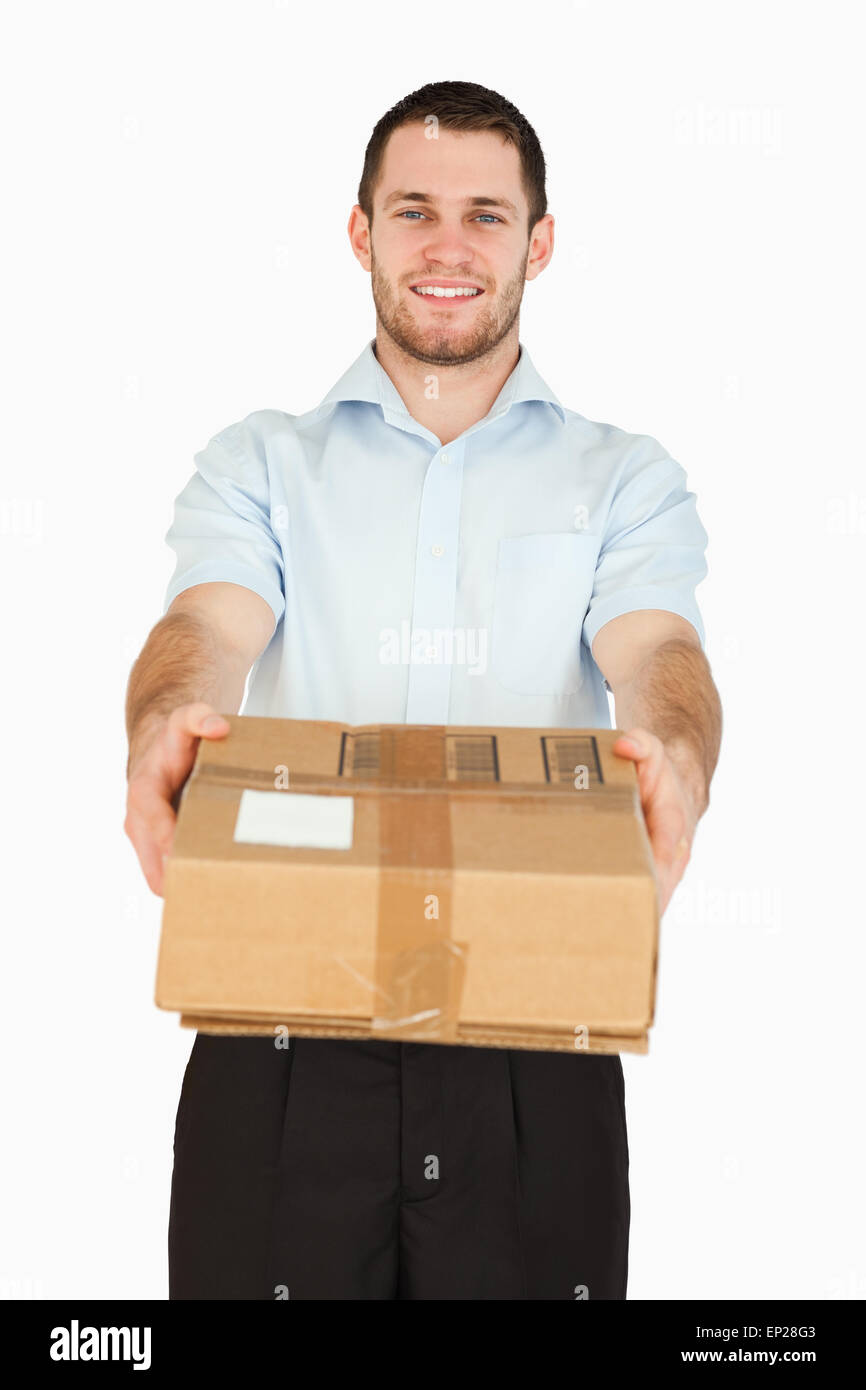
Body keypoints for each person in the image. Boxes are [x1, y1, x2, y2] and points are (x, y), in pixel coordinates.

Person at [124, 80, 722, 1300]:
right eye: (413, 211)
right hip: (281, 1022)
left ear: (537, 243)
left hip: (533, 1030)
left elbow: (656, 651)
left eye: (485, 215)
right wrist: (161, 721)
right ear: (362, 233)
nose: (448, 246)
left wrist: (674, 748)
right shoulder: (261, 463)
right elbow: (205, 626)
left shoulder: (622, 478)